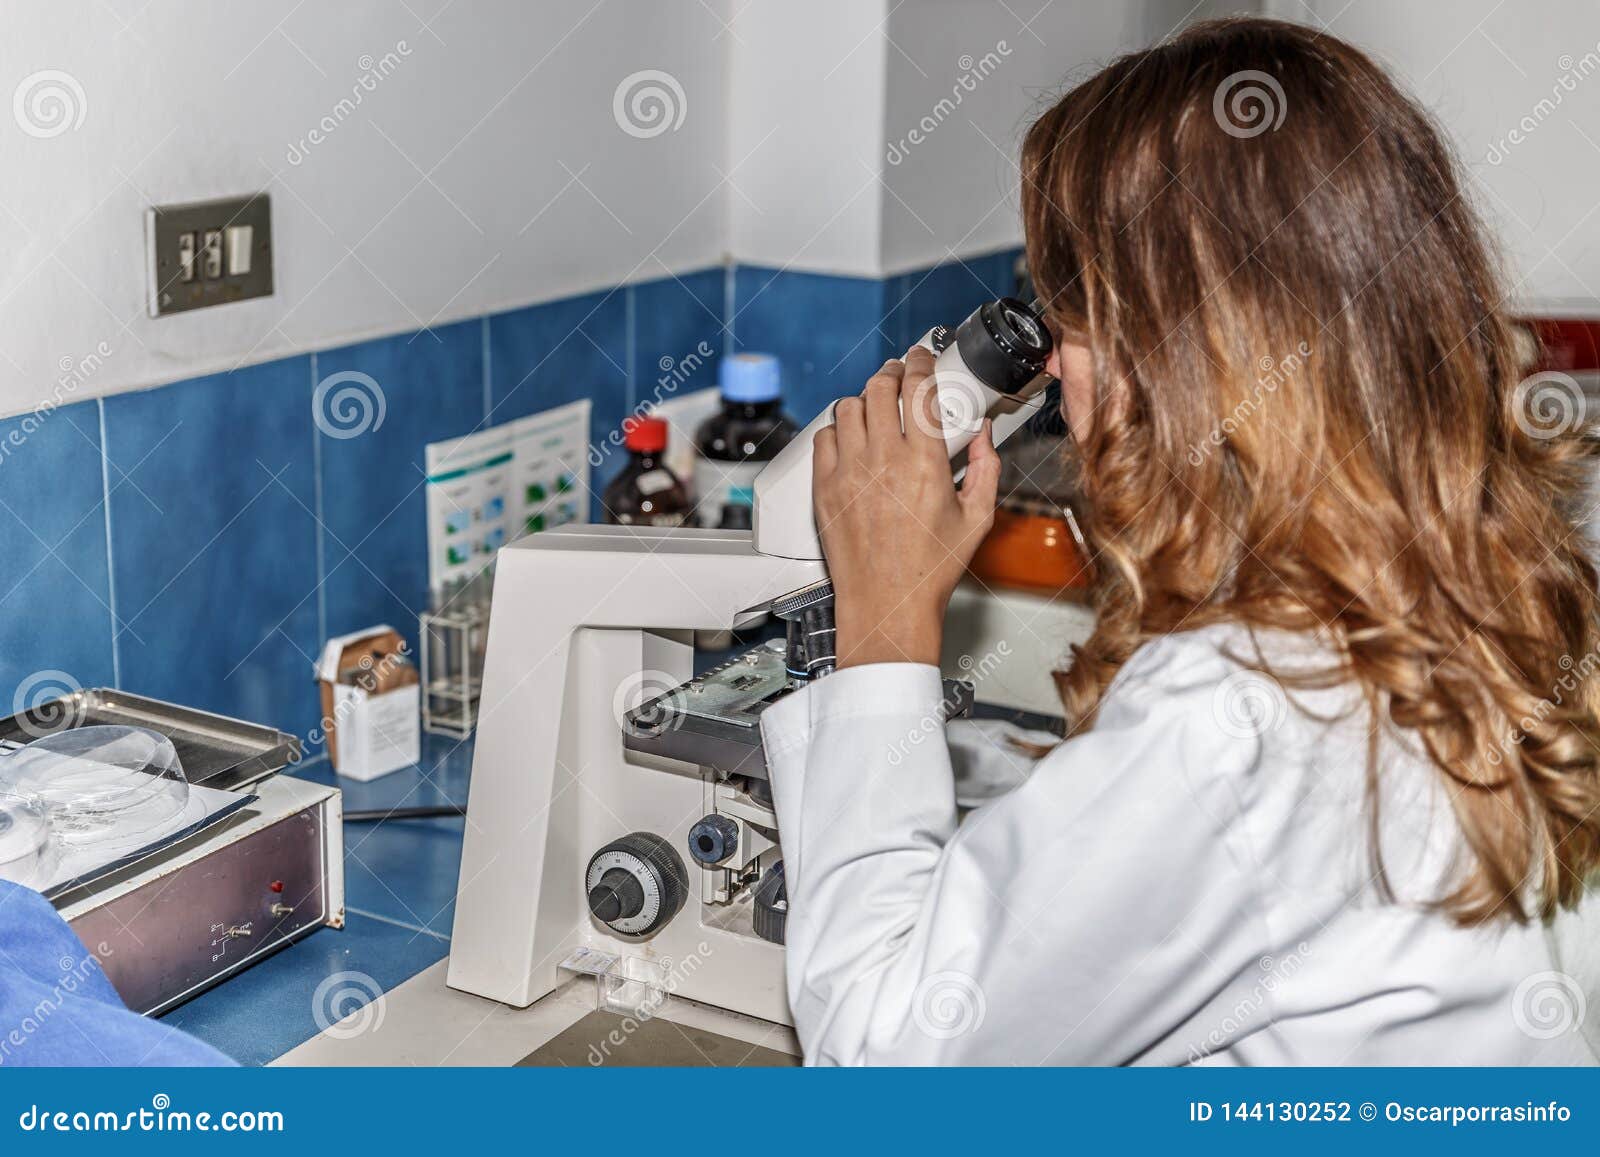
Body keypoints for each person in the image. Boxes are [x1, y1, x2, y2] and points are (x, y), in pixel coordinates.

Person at [759, 17, 1600, 1065]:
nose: (1054, 373)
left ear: (1178, 356)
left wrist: (883, 620)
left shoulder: (1240, 712)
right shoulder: (1490, 569)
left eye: (1067, 321)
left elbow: (889, 1067)